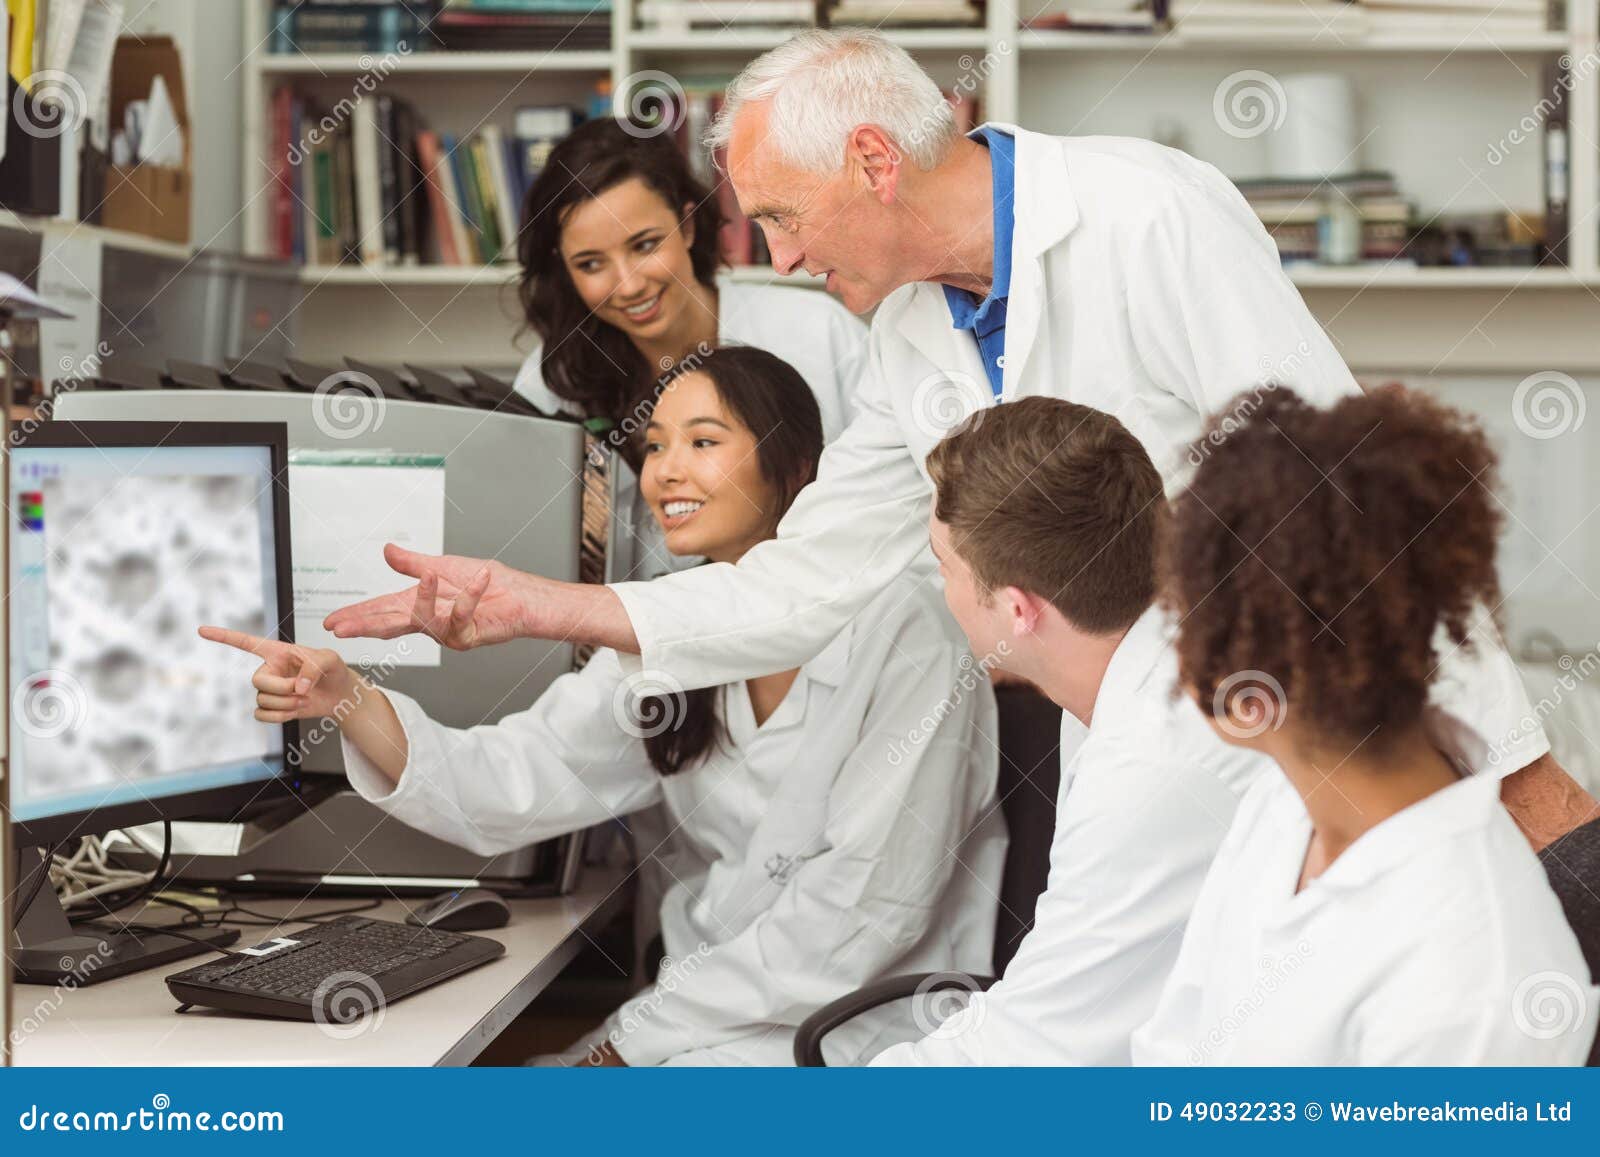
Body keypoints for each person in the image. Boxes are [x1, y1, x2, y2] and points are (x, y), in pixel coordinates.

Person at [323, 29, 1589, 848]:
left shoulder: (1147, 217)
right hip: (1132, 739)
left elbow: (1346, 498)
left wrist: (1526, 780)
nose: (778, 258)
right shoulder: (912, 329)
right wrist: (539, 605)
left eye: (781, 216)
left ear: (873, 159)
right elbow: (812, 577)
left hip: (1304, 719)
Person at [202, 347, 1003, 1067]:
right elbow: (518, 780)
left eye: (704, 441)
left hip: (864, 1031)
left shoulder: (912, 631)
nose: (664, 471)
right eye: (654, 446)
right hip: (705, 1017)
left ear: (792, 465)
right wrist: (347, 697)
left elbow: (860, 919)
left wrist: (622, 1047)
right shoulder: (666, 625)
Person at [1133, 386, 1598, 1065]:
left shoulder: (1473, 974)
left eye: (1185, 614)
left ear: (1245, 663)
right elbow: (1170, 1063)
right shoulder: (1282, 804)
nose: (1173, 648)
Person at [514, 117, 868, 580]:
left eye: (644, 245)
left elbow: (895, 500)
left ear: (686, 226)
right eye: (590, 263)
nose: (628, 284)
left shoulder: (818, 333)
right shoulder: (553, 378)